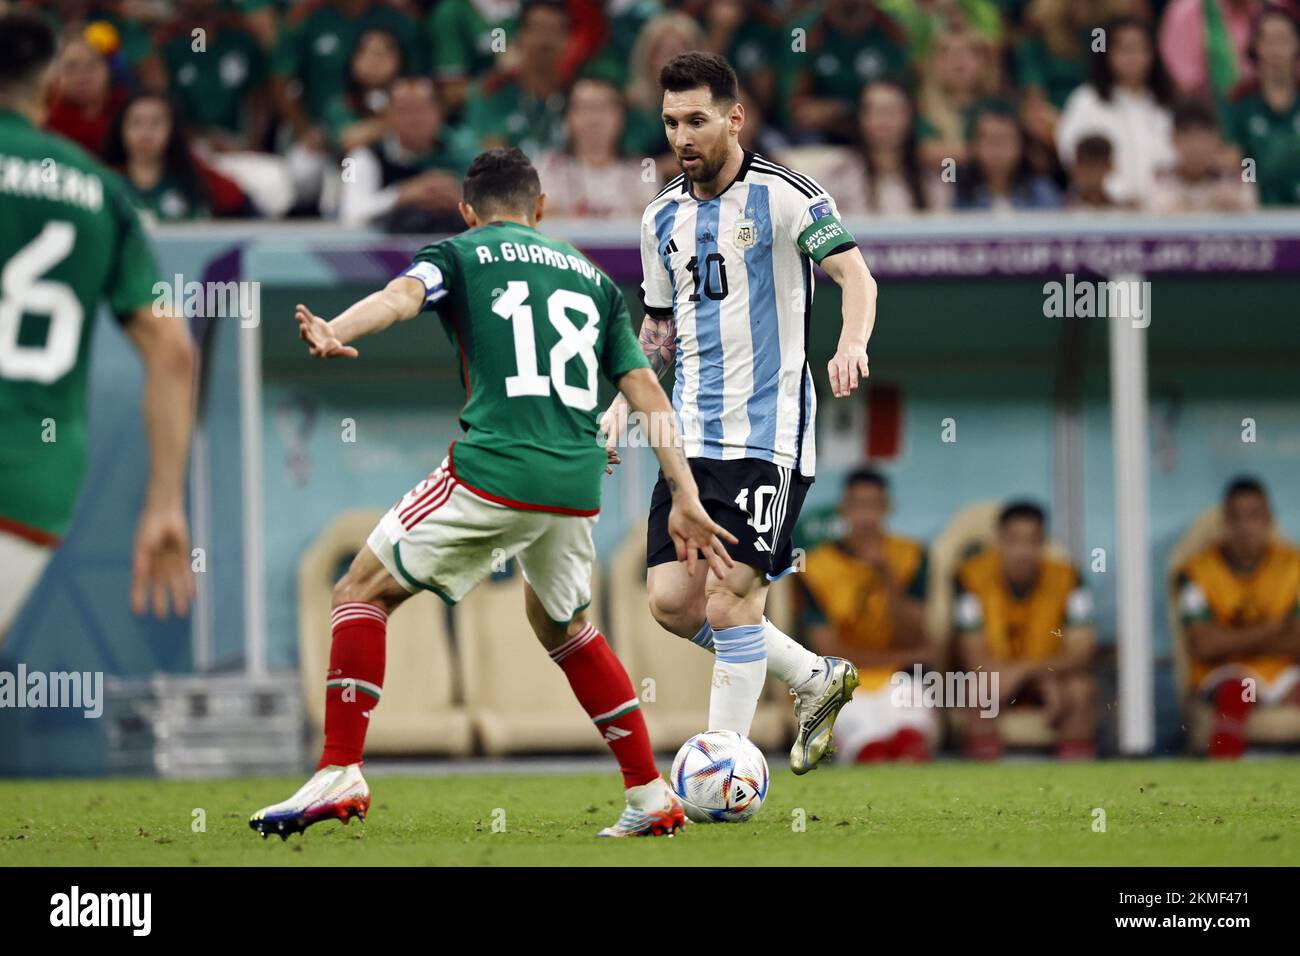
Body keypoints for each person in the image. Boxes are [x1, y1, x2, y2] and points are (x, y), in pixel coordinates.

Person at [249, 147, 736, 840]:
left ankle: (339, 768)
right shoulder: (593, 279)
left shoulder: (460, 252)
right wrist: (684, 491)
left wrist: (336, 329)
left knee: (358, 591)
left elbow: (399, 297)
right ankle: (650, 792)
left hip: (495, 469)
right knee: (563, 627)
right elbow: (646, 390)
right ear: (541, 209)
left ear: (468, 212)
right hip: (573, 480)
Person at [600, 52, 880, 775]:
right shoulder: (659, 217)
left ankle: (721, 768)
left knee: (729, 598)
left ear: (734, 118)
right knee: (670, 600)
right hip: (688, 436)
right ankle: (813, 677)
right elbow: (656, 329)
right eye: (670, 123)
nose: (682, 136)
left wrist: (851, 343)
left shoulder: (788, 196)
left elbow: (855, 275)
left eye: (696, 120)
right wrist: (621, 405)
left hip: (769, 434)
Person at [0, 11, 196, 644]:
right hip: (33, 482)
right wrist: (165, 502)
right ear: (54, 85)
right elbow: (172, 353)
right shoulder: (98, 190)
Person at [800, 469, 938, 762]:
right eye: (857, 506)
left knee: (910, 741)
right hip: (845, 683)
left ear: (888, 508)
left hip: (902, 679)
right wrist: (907, 655)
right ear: (844, 510)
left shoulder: (911, 556)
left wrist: (888, 579)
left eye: (873, 506)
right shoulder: (816, 567)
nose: (865, 517)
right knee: (869, 745)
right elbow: (830, 653)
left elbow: (915, 635)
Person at [953, 501, 1097, 760]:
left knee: (1080, 689)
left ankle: (1078, 783)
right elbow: (973, 655)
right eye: (1013, 540)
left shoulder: (1069, 579)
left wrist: (1030, 673)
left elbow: (1081, 651)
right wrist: (1020, 676)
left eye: (1032, 541)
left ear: (1044, 544)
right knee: (977, 689)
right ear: (998, 541)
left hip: (1053, 675)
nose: (1023, 551)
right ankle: (981, 782)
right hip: (996, 674)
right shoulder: (970, 579)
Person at [1178, 477, 1300, 758]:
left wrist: (1230, 639)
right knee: (1237, 691)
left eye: (1255, 516)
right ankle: (1222, 785)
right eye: (1237, 517)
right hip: (1225, 672)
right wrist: (1275, 628)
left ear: (1269, 519)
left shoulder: (1294, 566)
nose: (1246, 527)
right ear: (1225, 522)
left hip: (1282, 672)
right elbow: (1204, 646)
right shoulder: (1195, 572)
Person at [1056, 16, 1176, 206]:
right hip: (1102, 210)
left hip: (1160, 212)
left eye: (1140, 49)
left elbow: (1174, 160)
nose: (1133, 57)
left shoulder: (1164, 105)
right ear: (1107, 54)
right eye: (1124, 49)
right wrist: (1115, 197)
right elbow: (1071, 155)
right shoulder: (1086, 101)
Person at [337, 76, 479, 232]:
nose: (414, 119)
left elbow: (498, 215)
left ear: (439, 112)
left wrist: (459, 201)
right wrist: (403, 195)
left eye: (422, 109)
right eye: (404, 110)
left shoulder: (466, 155)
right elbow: (350, 213)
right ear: (388, 116)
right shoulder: (361, 158)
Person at [534, 77, 661, 219]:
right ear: (568, 117)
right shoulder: (548, 166)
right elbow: (542, 219)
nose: (595, 119)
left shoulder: (644, 168)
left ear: (621, 118)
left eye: (604, 107)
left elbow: (653, 223)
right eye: (586, 108)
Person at [817, 79, 940, 215]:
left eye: (890, 111)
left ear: (909, 116)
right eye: (872, 110)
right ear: (860, 117)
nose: (882, 119)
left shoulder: (931, 176)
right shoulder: (839, 172)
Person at [1226, 5, 1300, 207]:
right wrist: (1250, 186)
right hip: (1258, 210)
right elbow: (1240, 158)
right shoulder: (1240, 99)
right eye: (1269, 41)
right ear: (1255, 46)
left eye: (1283, 40)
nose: (1276, 50)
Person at [104, 93, 214, 222]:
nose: (145, 133)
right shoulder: (106, 185)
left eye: (156, 123)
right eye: (136, 123)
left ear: (172, 130)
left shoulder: (191, 186)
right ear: (121, 129)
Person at [1147, 98, 1258, 212]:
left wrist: (1237, 210)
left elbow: (1252, 216)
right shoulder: (1159, 184)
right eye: (1189, 138)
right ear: (1174, 138)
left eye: (1203, 139)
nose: (1196, 148)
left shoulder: (1236, 185)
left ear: (1217, 138)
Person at [955, 100, 1064, 210]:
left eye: (1004, 141)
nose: (997, 150)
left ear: (1020, 144)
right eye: (991, 140)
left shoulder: (1042, 193)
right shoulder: (957, 195)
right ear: (974, 145)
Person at [1065, 133, 1125, 208]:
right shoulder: (1057, 208)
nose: (1091, 172)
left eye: (1097, 165)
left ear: (1109, 166)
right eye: (1086, 165)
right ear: (1075, 168)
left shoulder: (1124, 211)